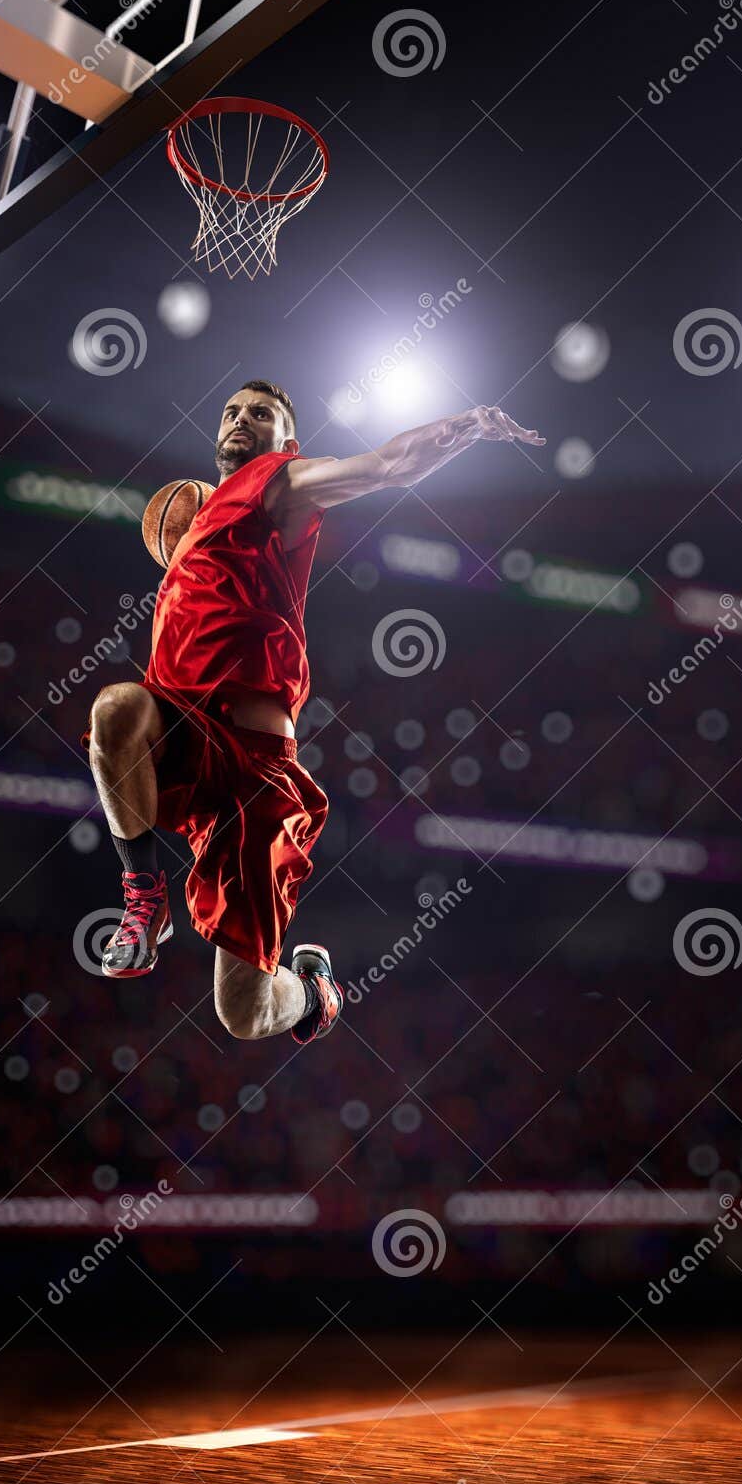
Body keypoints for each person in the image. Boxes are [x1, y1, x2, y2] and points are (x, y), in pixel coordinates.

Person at [85, 381, 544, 1045]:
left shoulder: (280, 484)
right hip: (183, 735)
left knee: (240, 1015)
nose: (242, 420)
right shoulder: (199, 522)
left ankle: (312, 993)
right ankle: (142, 894)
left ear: (286, 440)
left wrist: (466, 424)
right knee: (116, 708)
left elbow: (385, 465)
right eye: (231, 412)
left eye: (261, 414)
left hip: (255, 772)